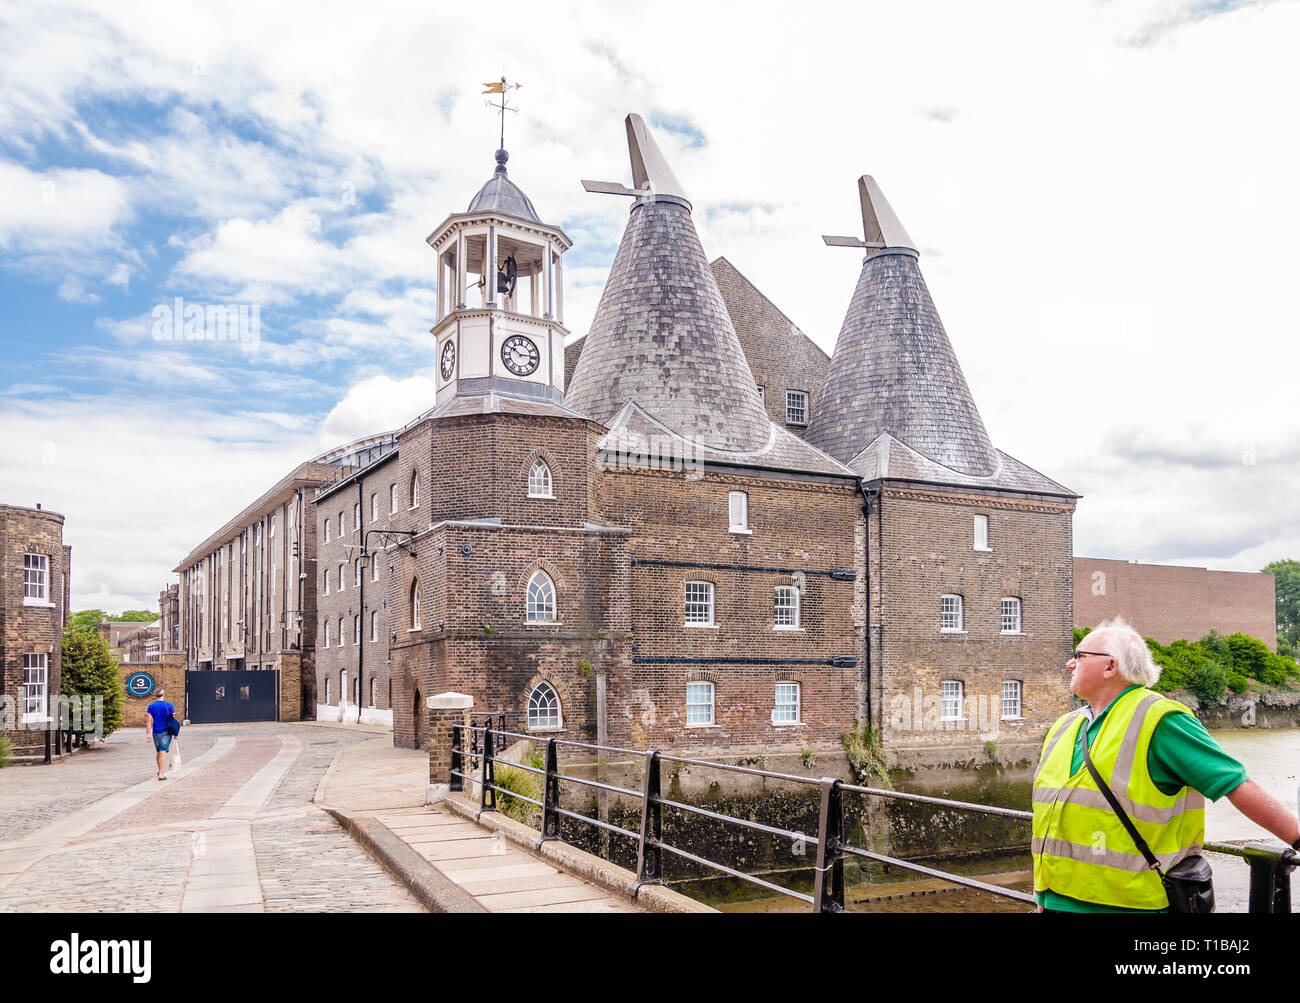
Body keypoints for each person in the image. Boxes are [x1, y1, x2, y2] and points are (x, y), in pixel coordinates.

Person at [1033, 617, 1300, 912]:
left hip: (1129, 905)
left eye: (1078, 656)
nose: (1070, 664)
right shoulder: (1065, 725)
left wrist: (1298, 842)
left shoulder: (1161, 719)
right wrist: (1042, 892)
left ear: (1110, 666)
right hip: (1055, 898)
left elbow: (1236, 784)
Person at [144, 687, 176, 781]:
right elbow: (173, 720)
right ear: (163, 695)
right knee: (162, 751)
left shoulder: (151, 706)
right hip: (167, 731)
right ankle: (161, 772)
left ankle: (160, 772)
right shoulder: (169, 705)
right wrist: (175, 733)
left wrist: (148, 734)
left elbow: (149, 721)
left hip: (156, 731)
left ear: (155, 695)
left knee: (160, 751)